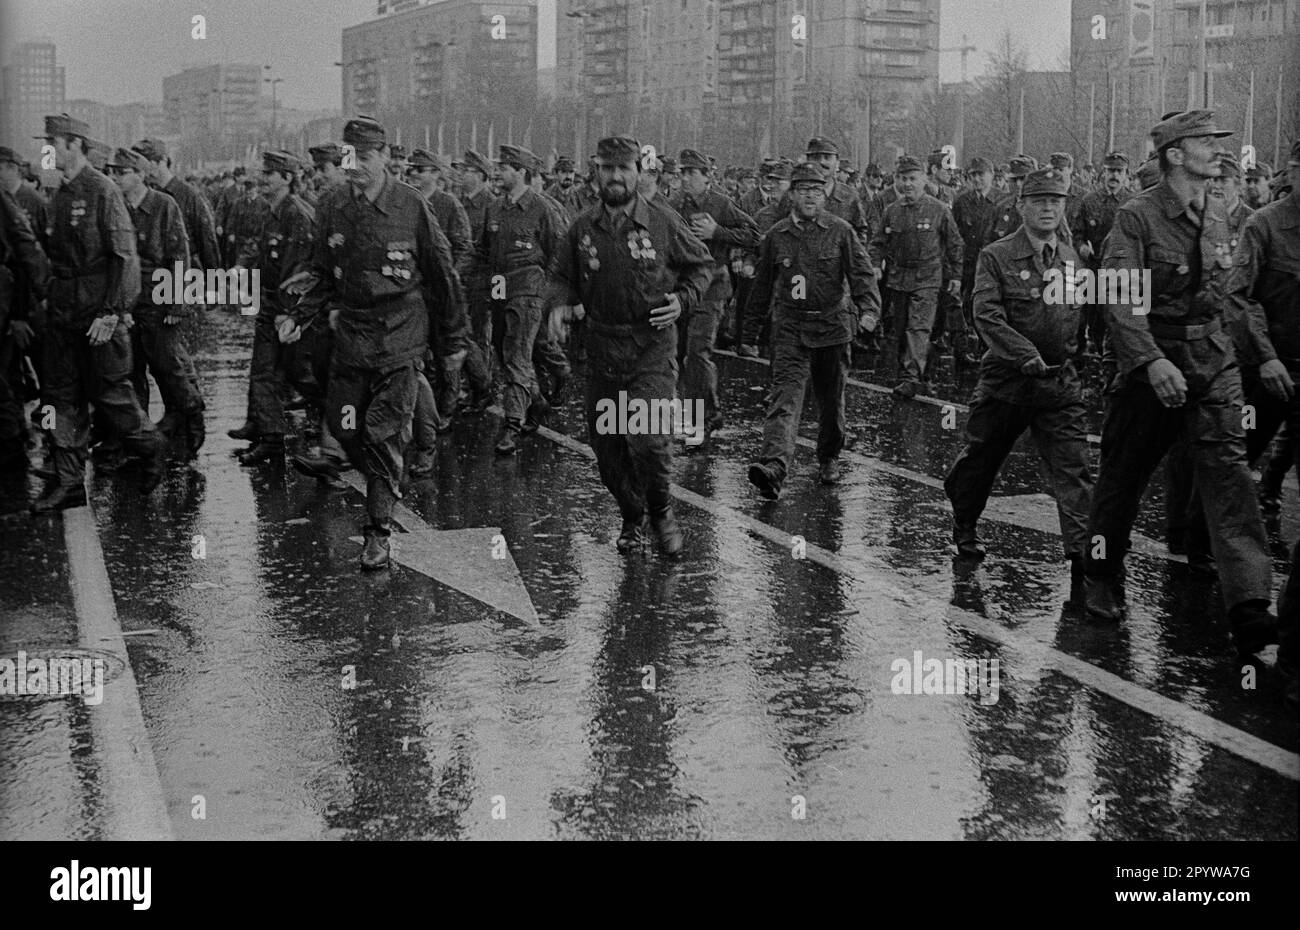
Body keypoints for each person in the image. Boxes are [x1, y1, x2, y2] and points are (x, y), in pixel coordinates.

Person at [1081, 109, 1277, 659]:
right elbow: (1119, 296)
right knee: (1123, 476)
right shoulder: (1136, 218)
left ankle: (1249, 606)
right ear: (1173, 155)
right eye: (1206, 142)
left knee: (1230, 476)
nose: (1219, 150)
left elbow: (1231, 293)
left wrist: (1253, 358)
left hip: (1213, 363)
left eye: (1221, 142)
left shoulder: (1222, 212)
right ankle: (1099, 573)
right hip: (1155, 366)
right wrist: (1146, 362)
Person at [282, 117, 467, 570]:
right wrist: (300, 315)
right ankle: (387, 481)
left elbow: (443, 276)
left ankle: (377, 531)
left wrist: (452, 342)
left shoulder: (410, 206)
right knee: (344, 428)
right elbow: (322, 273)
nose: (355, 166)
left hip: (401, 335)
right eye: (349, 157)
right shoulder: (332, 206)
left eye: (364, 157)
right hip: (351, 336)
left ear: (385, 157)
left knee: (381, 433)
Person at [545, 135, 713, 556]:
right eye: (607, 168)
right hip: (602, 350)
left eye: (624, 168)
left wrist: (682, 300)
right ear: (596, 172)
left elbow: (701, 268)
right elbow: (561, 276)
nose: (615, 177)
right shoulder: (583, 227)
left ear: (638, 171)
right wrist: (560, 307)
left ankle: (661, 512)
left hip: (651, 349)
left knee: (649, 439)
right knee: (610, 452)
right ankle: (631, 515)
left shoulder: (663, 220)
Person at [943, 167, 1091, 601]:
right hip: (1008, 382)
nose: (1048, 209)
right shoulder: (997, 255)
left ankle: (1084, 563)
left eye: (1056, 202)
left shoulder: (1071, 259)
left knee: (1073, 469)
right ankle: (965, 521)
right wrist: (1024, 355)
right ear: (1021, 206)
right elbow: (987, 316)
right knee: (982, 459)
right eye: (1039, 201)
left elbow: (1078, 314)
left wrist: (1076, 357)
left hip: (1058, 387)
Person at [31, 113, 161, 512]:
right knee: (60, 397)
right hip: (64, 314)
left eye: (52, 143)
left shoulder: (102, 190)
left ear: (74, 145)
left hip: (96, 315)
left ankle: (152, 447)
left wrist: (112, 312)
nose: (46, 151)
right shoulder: (59, 193)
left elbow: (125, 257)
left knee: (111, 396)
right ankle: (70, 482)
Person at [740, 161, 879, 498]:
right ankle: (774, 466)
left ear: (825, 195)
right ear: (793, 195)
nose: (811, 197)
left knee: (831, 403)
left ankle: (829, 455)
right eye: (804, 190)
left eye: (817, 191)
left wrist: (869, 310)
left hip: (832, 326)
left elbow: (861, 274)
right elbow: (761, 288)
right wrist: (747, 333)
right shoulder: (776, 236)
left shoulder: (841, 231)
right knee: (784, 398)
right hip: (790, 327)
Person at [107, 148, 205, 461]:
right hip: (130, 303)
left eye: (122, 172)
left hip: (160, 301)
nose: (117, 178)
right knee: (132, 372)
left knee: (168, 368)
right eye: (114, 172)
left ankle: (192, 416)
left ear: (139, 174)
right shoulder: (118, 207)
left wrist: (177, 305)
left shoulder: (163, 205)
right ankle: (140, 441)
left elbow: (179, 255)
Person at [1226, 141, 1300, 543]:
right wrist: (1267, 357)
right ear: (1292, 173)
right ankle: (1201, 537)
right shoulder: (1264, 225)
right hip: (1266, 371)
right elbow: (1240, 295)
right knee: (1237, 456)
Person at [669, 148, 758, 447]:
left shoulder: (721, 204)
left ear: (708, 177)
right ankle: (693, 414)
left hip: (712, 287)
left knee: (698, 351)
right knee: (679, 353)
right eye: (682, 172)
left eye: (692, 172)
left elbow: (754, 235)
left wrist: (717, 231)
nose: (685, 178)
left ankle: (707, 416)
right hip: (682, 287)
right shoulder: (674, 204)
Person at [479, 144, 564, 455]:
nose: (499, 172)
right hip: (499, 288)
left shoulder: (542, 209)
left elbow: (558, 254)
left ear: (522, 173)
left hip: (528, 289)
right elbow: (482, 251)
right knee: (502, 351)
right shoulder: (495, 207)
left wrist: (549, 293)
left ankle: (512, 425)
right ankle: (537, 401)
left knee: (517, 354)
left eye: (505, 167)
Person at [868, 154, 962, 398]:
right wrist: (876, 264)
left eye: (912, 178)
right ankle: (913, 373)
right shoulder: (891, 211)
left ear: (923, 180)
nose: (907, 184)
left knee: (918, 327)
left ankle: (911, 377)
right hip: (899, 277)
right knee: (899, 330)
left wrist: (956, 277)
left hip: (928, 278)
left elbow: (954, 245)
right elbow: (877, 243)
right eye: (902, 178)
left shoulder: (938, 209)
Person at [0, 184, 50, 471]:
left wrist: (42, 297)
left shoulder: (24, 201)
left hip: (17, 297)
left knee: (48, 378)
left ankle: (16, 445)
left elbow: (26, 249)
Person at [1074, 152, 1133, 356]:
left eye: (1119, 171)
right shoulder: (1089, 200)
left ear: (1126, 174)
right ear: (1104, 173)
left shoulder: (1133, 202)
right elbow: (1077, 233)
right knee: (1096, 316)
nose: (1114, 176)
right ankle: (1097, 356)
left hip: (1123, 271)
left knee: (1121, 318)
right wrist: (1082, 247)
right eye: (1110, 171)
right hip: (1095, 267)